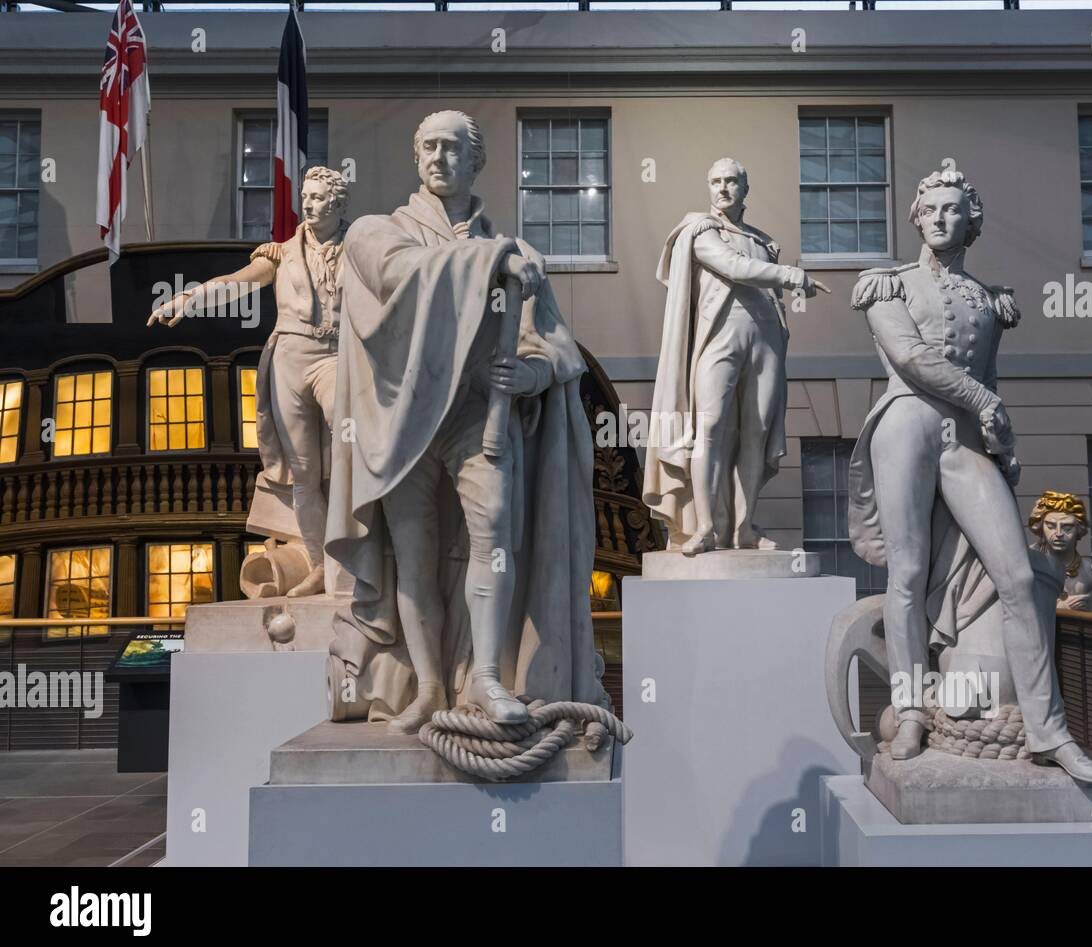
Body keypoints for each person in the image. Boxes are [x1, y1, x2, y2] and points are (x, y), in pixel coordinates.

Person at [325, 110, 603, 733]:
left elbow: (556, 346)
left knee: (496, 534)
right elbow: (404, 275)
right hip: (399, 423)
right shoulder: (376, 232)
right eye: (427, 146)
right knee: (413, 556)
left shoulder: (518, 256)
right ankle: (426, 687)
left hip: (479, 419)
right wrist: (494, 258)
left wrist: (529, 375)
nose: (438, 158)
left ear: (476, 161)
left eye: (452, 148)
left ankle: (485, 678)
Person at [847, 167, 1092, 784]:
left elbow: (987, 383)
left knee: (1019, 576)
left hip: (965, 440)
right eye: (929, 209)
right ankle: (910, 707)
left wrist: (1001, 441)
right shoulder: (887, 285)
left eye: (951, 209)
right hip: (907, 422)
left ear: (972, 220)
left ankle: (1048, 732)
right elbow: (911, 358)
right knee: (907, 572)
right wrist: (985, 403)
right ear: (916, 219)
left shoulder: (990, 301)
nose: (939, 218)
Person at [147, 166, 349, 597]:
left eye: (317, 197)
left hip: (336, 357)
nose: (308, 204)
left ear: (337, 203)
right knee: (304, 475)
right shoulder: (280, 253)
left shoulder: (362, 248)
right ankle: (319, 566)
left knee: (352, 441)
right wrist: (190, 297)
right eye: (306, 197)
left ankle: (357, 556)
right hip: (291, 358)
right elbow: (236, 284)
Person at [644, 158, 827, 554]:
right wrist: (791, 275)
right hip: (719, 340)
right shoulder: (699, 229)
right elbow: (733, 266)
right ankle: (706, 527)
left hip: (765, 340)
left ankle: (744, 528)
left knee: (757, 433)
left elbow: (754, 269)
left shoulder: (762, 240)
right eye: (716, 181)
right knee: (707, 429)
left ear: (745, 188)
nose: (723, 188)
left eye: (731, 181)